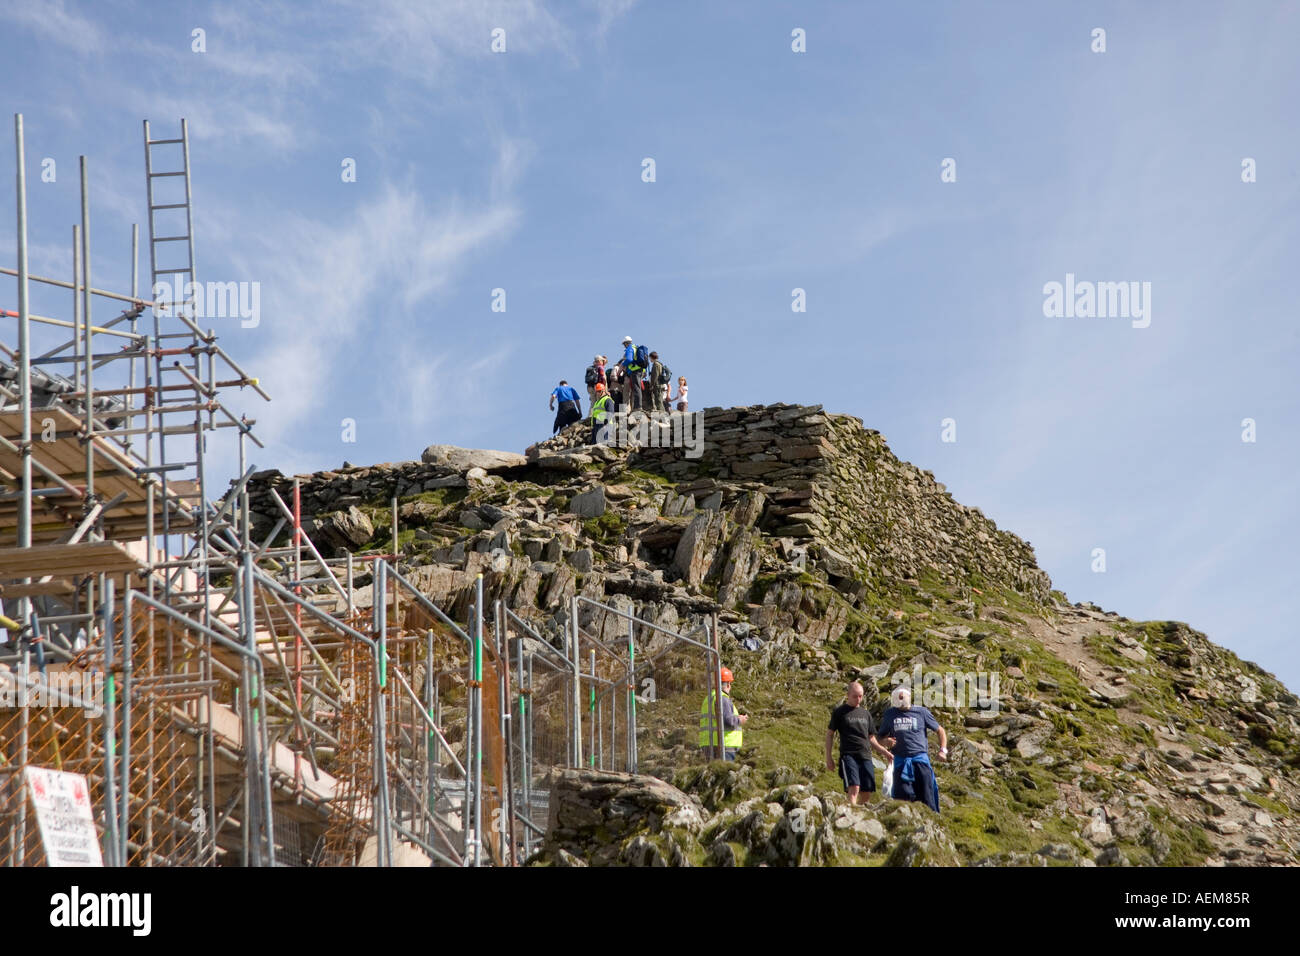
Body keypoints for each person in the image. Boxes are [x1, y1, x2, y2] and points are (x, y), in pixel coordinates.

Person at [876, 687, 947, 812]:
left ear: (909, 697)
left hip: (920, 760)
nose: (900, 701)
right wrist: (885, 742)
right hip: (900, 762)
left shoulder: (921, 712)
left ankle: (929, 822)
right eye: (898, 698)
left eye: (902, 697)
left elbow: (940, 730)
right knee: (902, 799)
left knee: (926, 796)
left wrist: (943, 750)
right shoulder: (890, 714)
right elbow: (879, 737)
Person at [825, 681, 894, 806]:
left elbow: (871, 738)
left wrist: (885, 752)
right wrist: (829, 757)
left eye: (861, 696)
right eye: (855, 696)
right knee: (854, 787)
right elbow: (830, 734)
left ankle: (860, 815)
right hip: (848, 755)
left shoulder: (865, 714)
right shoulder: (840, 712)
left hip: (866, 756)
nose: (858, 699)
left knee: (867, 791)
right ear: (848, 695)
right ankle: (852, 812)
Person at [698, 667, 747, 761]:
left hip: (709, 744)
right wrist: (740, 720)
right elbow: (727, 720)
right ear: (728, 684)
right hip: (723, 746)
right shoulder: (722, 698)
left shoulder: (709, 698)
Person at [617, 335, 644, 414]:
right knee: (637, 389)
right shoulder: (636, 347)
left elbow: (629, 359)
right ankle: (637, 406)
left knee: (636, 389)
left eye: (624, 344)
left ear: (626, 343)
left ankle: (638, 407)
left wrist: (622, 365)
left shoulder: (629, 348)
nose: (624, 346)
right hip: (639, 370)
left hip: (634, 371)